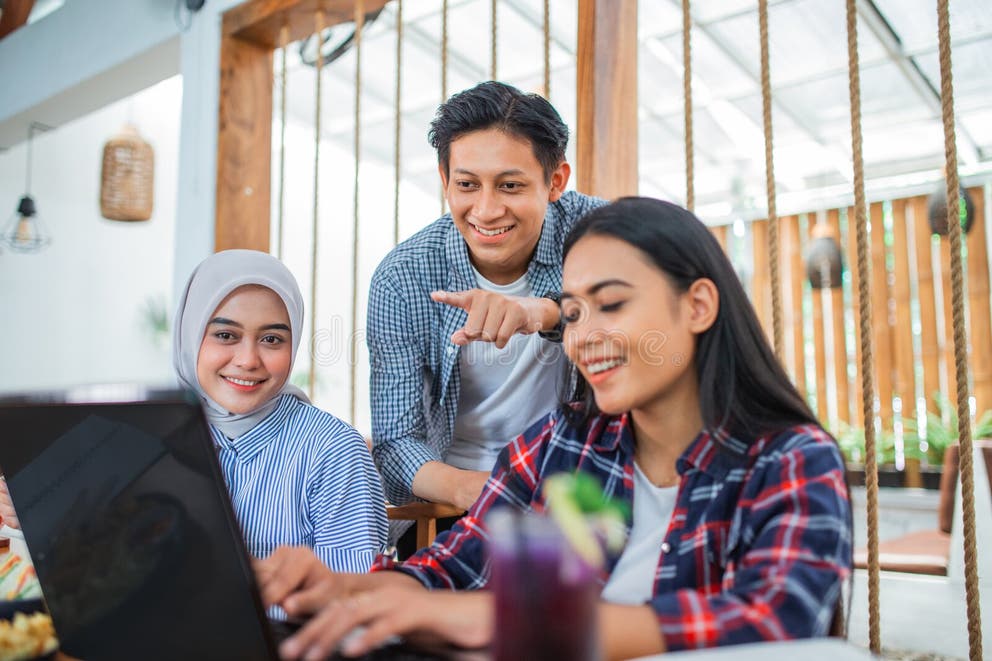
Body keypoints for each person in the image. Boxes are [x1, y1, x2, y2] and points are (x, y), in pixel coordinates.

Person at [255, 198, 853, 660]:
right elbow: (447, 573)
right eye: (570, 313)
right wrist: (340, 591)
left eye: (611, 304)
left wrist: (510, 621)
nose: (582, 337)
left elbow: (776, 619)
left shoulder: (792, 460)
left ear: (697, 305)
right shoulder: (560, 445)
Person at [367, 81, 605, 550]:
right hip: (456, 500)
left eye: (511, 185)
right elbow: (395, 444)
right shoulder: (403, 276)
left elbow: (648, 323)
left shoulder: (598, 231)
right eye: (467, 184)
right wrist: (481, 489)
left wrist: (547, 313)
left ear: (555, 181)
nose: (487, 209)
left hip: (581, 486)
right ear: (444, 179)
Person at [172, 249, 388, 572]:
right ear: (190, 336)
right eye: (226, 335)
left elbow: (351, 602)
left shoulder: (333, 452)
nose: (248, 360)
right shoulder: (154, 441)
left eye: (272, 339)